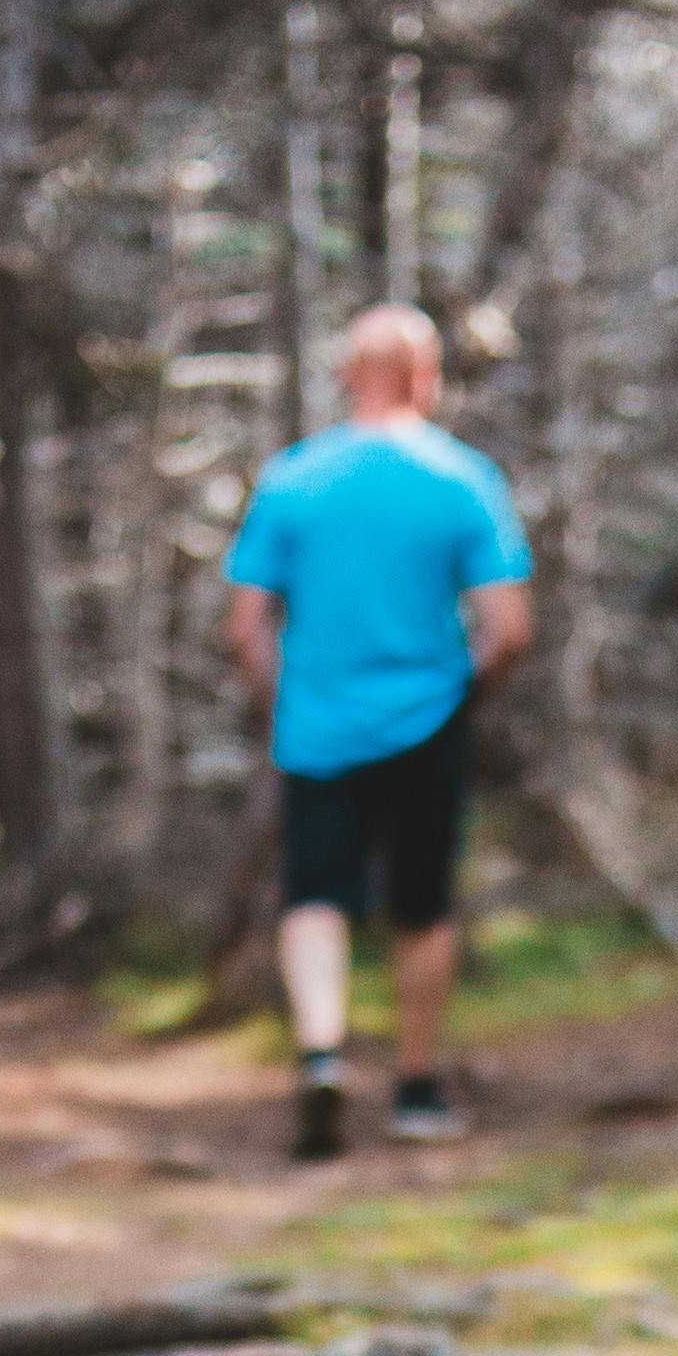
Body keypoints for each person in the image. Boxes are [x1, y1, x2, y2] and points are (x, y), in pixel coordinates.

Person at [224, 303, 534, 1158]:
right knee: (422, 905)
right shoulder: (462, 477)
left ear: (349, 374)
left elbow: (244, 623)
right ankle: (417, 1086)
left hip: (317, 723)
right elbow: (510, 627)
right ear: (425, 376)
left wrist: (275, 699)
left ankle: (321, 1054)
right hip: (429, 716)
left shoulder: (294, 477)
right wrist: (470, 691)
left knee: (315, 896)